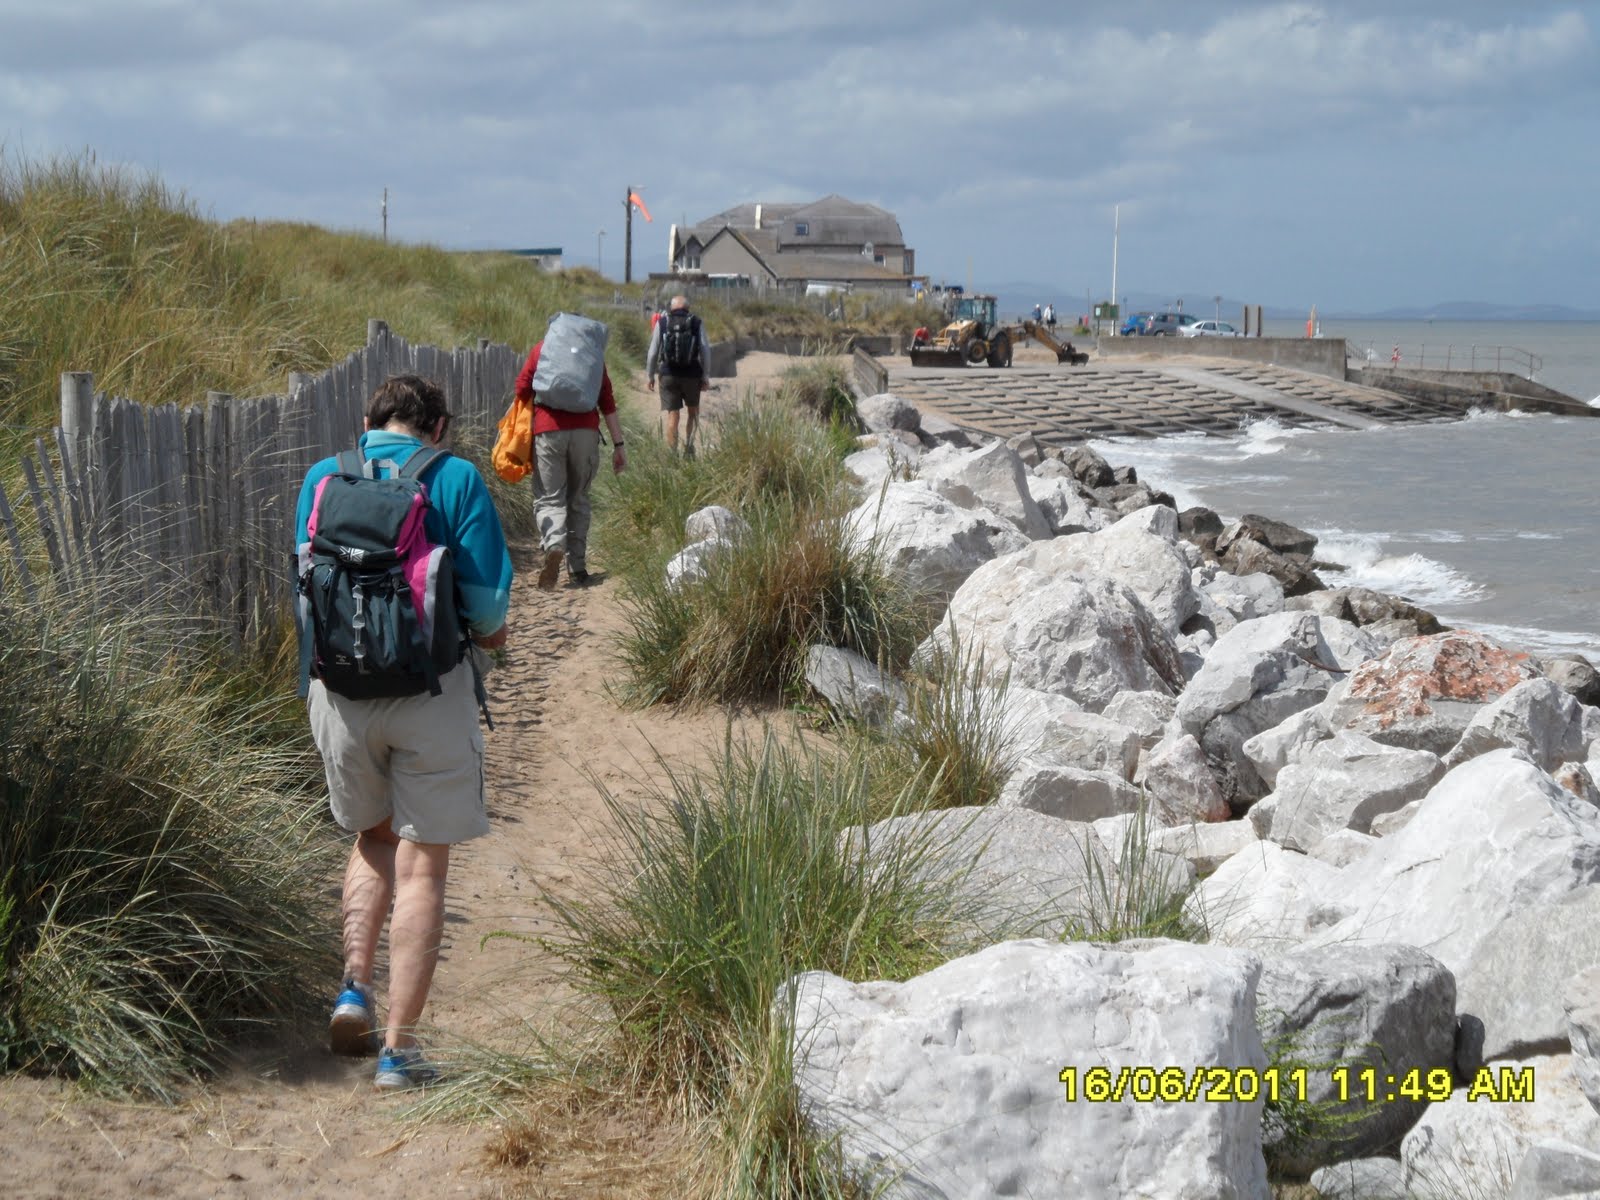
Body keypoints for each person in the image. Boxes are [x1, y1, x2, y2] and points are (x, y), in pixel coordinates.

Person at [296, 373, 512, 1091]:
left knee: (372, 840)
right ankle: (399, 1051)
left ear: (367, 420)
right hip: (428, 692)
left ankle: (353, 987)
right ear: (439, 427)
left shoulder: (323, 478)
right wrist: (491, 639)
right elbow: (486, 610)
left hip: (341, 693)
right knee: (424, 867)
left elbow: (304, 586)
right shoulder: (453, 479)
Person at [514, 328, 627, 589]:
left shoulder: (542, 348)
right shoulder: (593, 354)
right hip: (586, 433)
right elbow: (607, 402)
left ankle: (554, 543)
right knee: (578, 498)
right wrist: (619, 445)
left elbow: (521, 388)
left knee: (550, 497)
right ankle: (578, 568)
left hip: (548, 430)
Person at [645, 294, 712, 457]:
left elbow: (653, 352)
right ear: (687, 308)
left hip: (668, 374)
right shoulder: (696, 322)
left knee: (672, 416)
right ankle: (689, 449)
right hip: (692, 374)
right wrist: (705, 375)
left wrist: (650, 375)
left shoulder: (662, 322)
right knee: (693, 413)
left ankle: (672, 455)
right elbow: (705, 350)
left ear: (671, 308)